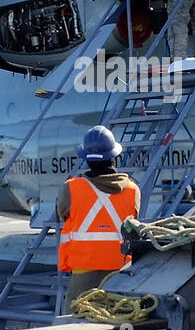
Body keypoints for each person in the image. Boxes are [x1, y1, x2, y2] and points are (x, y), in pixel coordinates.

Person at [57, 127, 140, 316]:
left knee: (75, 321)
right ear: (114, 156)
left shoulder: (71, 188)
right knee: (119, 318)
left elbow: (62, 213)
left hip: (84, 274)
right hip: (120, 273)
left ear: (86, 159)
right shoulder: (133, 190)